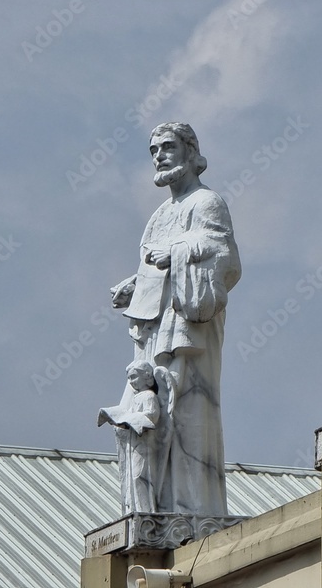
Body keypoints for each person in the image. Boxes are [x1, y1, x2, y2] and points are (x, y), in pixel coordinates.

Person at [109, 122, 240, 515]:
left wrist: (180, 252)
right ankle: (153, 503)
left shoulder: (207, 202)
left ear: (190, 151)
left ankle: (190, 506)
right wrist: (135, 283)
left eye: (167, 146)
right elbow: (154, 266)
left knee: (185, 409)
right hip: (153, 330)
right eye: (153, 150)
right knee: (144, 411)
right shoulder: (159, 215)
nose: (159, 155)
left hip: (187, 329)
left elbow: (227, 258)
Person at [98, 360, 162, 514]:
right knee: (131, 476)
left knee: (139, 475)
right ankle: (135, 509)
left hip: (144, 441)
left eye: (134, 377)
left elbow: (152, 415)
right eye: (130, 378)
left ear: (146, 376)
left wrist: (130, 418)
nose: (131, 382)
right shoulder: (136, 397)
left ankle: (146, 511)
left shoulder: (148, 395)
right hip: (133, 442)